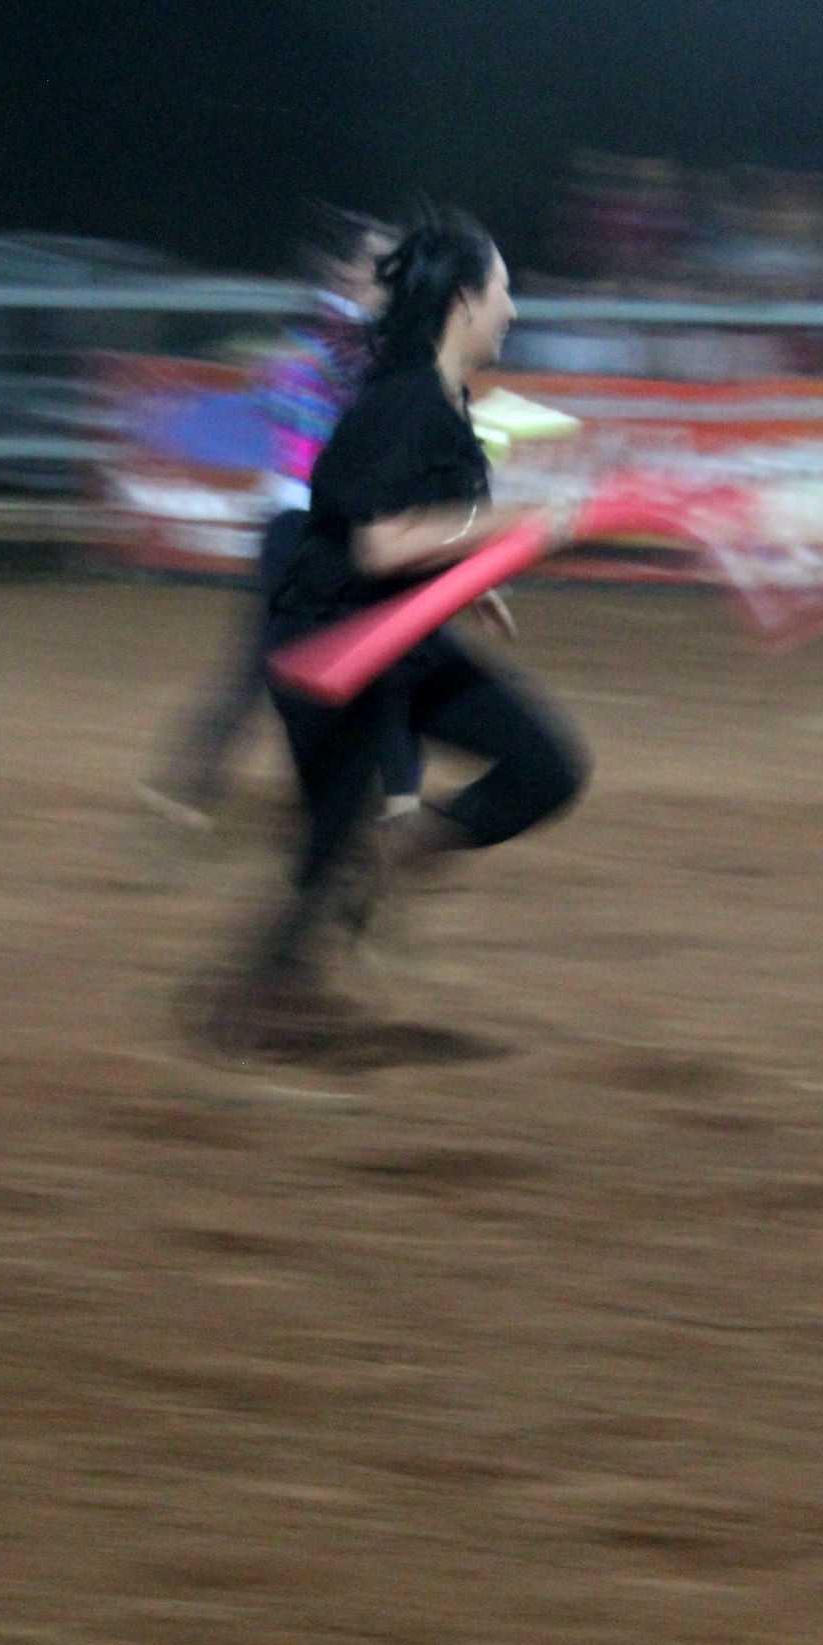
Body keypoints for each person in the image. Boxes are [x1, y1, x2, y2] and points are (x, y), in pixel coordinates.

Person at [204, 207, 588, 1051]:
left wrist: (464, 579)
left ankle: (401, 852)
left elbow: (407, 533)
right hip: (326, 643)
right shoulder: (408, 400)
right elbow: (379, 541)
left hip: (393, 637)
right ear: (462, 300)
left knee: (548, 768)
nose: (513, 311)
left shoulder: (442, 402)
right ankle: (250, 1012)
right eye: (503, 292)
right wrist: (508, 530)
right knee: (326, 854)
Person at [141, 208, 426, 832]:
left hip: (322, 521)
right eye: (382, 261)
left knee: (283, 666)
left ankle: (196, 793)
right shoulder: (328, 348)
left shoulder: (359, 339)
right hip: (311, 527)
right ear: (350, 271)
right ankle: (366, 803)